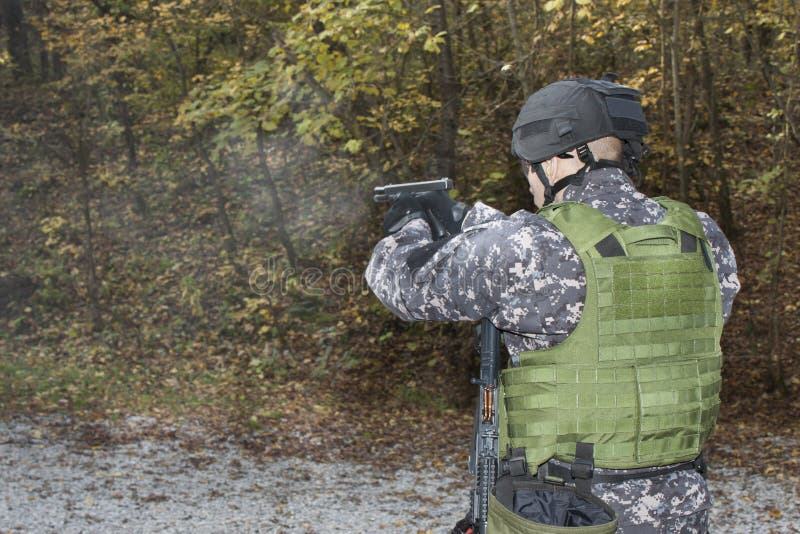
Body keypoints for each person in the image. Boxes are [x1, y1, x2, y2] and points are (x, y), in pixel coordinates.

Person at [366, 77, 739, 533]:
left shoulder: (530, 246)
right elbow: (583, 265)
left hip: (568, 510)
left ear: (563, 155)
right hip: (681, 504)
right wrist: (468, 219)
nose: (529, 181)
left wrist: (409, 226)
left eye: (529, 167)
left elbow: (402, 283)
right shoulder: (700, 234)